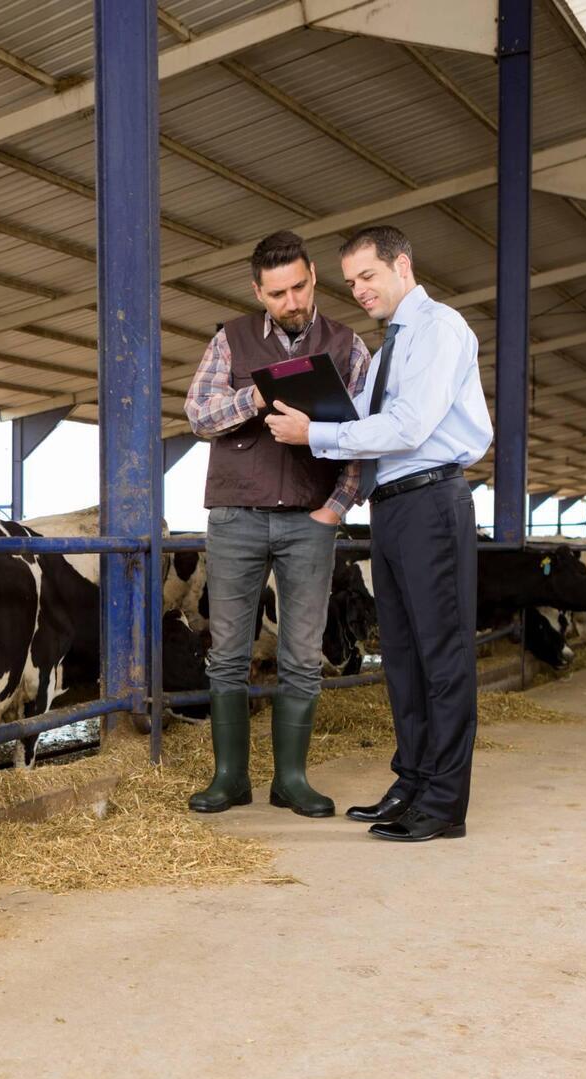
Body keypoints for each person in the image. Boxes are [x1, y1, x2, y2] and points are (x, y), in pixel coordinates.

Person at [264, 225, 492, 842]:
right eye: (351, 281)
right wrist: (309, 412)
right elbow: (363, 421)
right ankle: (412, 782)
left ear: (403, 265)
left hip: (431, 499)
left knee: (441, 655)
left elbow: (409, 426)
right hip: (390, 506)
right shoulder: (389, 345)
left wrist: (314, 433)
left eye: (368, 275)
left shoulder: (440, 328)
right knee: (401, 656)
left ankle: (444, 803)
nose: (359, 290)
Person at [182, 231, 371, 818]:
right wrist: (259, 396)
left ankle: (291, 779)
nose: (291, 302)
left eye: (299, 287)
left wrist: (337, 507)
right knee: (228, 651)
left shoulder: (348, 346)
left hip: (309, 518)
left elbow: (364, 437)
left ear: (313, 276)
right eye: (277, 293)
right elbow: (198, 414)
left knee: (302, 654)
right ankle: (230, 778)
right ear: (257, 292)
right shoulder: (230, 339)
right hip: (236, 514)